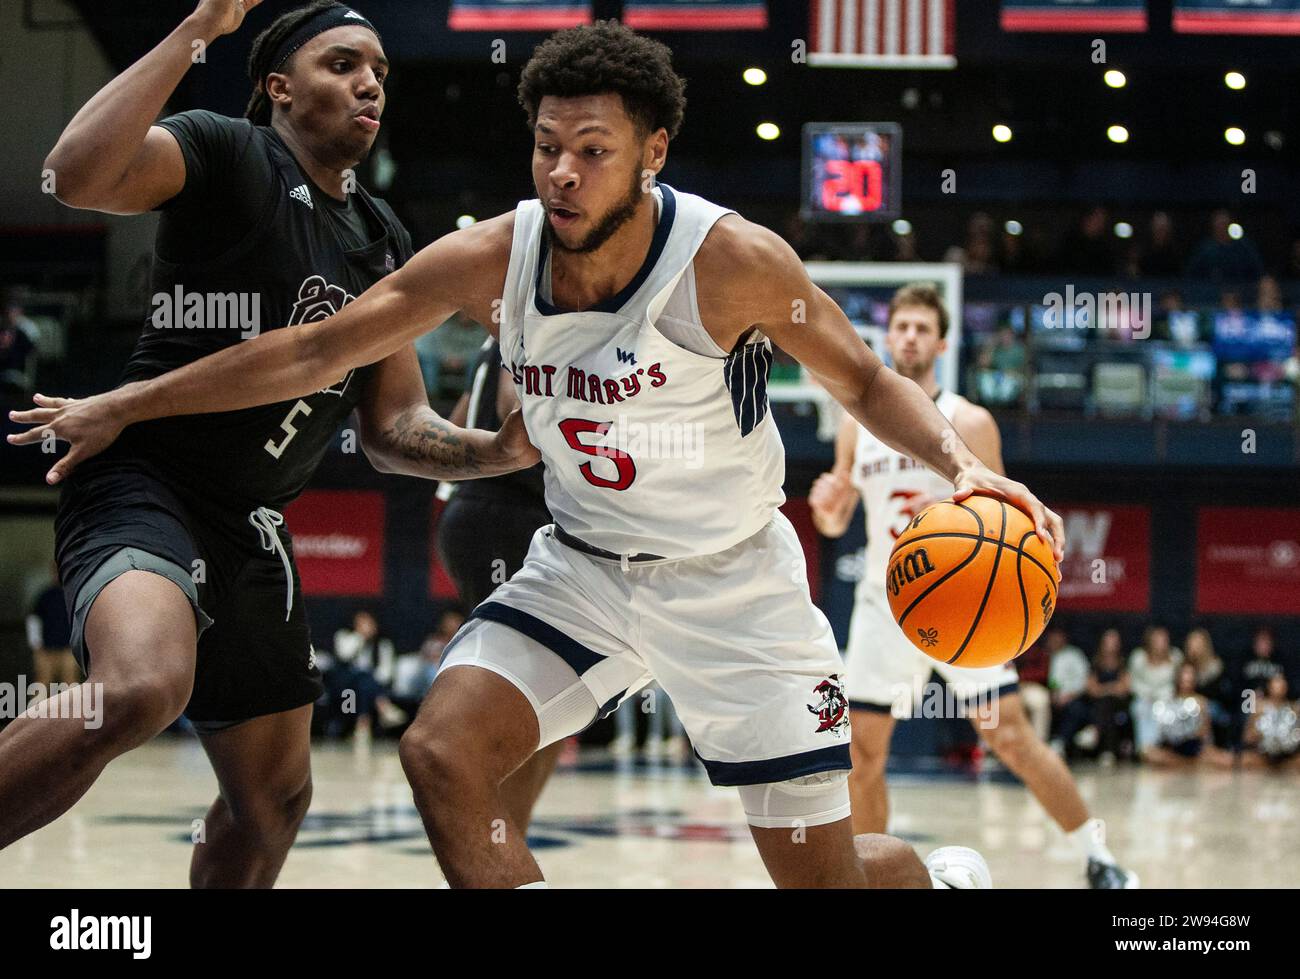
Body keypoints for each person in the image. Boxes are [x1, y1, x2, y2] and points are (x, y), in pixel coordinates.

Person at [9, 21, 1074, 890]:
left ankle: (938, 879)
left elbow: (867, 380)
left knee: (824, 881)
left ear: (652, 153)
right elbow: (315, 349)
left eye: (594, 149)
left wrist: (958, 464)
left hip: (730, 582)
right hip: (583, 565)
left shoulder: (734, 260)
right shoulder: (492, 251)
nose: (562, 172)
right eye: (547, 145)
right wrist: (132, 401)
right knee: (440, 754)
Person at [0, 0, 535, 884]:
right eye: (342, 64)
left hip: (255, 529)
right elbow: (75, 176)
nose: (370, 82)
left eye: (380, 71)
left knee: (276, 799)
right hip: (148, 484)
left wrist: (496, 450)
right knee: (141, 685)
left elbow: (393, 426)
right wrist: (194, 29)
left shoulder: (382, 235)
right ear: (279, 87)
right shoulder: (225, 149)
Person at [809, 283, 1137, 888]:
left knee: (1011, 737)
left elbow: (1004, 521)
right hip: (886, 607)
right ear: (889, 336)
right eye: (899, 326)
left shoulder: (969, 421)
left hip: (968, 602)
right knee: (861, 757)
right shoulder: (856, 423)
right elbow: (836, 516)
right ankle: (869, 878)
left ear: (941, 341)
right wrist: (828, 508)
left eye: (919, 328)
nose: (907, 336)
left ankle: (1101, 857)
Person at [434, 336, 564, 829]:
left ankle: (509, 831)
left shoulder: (494, 340)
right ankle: (497, 833)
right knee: (530, 689)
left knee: (552, 690)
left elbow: (462, 414)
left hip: (475, 513)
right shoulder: (532, 326)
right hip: (507, 516)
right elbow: (516, 408)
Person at [327, 610, 406, 736]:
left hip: (370, 687)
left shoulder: (383, 645)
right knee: (362, 676)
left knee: (364, 683)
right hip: (345, 685)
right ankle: (384, 707)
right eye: (361, 623)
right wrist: (360, 636)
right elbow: (344, 656)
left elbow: (386, 674)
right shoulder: (344, 636)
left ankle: (362, 724)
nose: (365, 627)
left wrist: (370, 678)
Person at [1143, 663, 1233, 769]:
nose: (1187, 678)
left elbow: (1206, 733)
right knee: (1149, 754)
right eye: (1184, 674)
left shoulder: (1201, 701)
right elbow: (1161, 730)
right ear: (1177, 677)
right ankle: (1188, 763)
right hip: (1173, 747)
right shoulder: (1168, 701)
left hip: (1195, 746)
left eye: (1190, 674)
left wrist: (1195, 736)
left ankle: (1186, 762)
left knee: (1224, 759)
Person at [27, 564, 80, 697]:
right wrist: (36, 644)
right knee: (42, 685)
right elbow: (34, 619)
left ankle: (72, 717)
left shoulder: (74, 594)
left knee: (70, 684)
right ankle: (38, 715)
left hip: (69, 649)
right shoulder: (45, 596)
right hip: (46, 649)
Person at [1128, 625, 1181, 755]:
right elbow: (1132, 682)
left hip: (1168, 699)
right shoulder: (1138, 657)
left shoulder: (1176, 657)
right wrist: (1147, 695)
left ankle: (1160, 749)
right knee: (1140, 708)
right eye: (1157, 640)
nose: (1160, 644)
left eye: (1163, 640)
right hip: (1143, 699)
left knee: (1164, 710)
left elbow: (1178, 683)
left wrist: (1161, 697)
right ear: (1150, 641)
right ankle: (1144, 749)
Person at [1086, 631, 1131, 763]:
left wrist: (1104, 689)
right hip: (1098, 703)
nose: (1111, 645)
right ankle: (1107, 750)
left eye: (1114, 641)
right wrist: (1112, 688)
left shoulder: (1123, 662)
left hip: (1119, 703)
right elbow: (1092, 689)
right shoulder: (1095, 662)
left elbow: (1124, 688)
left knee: (1108, 704)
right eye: (1108, 641)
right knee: (1105, 705)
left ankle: (1095, 733)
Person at [1240, 674, 1300, 771]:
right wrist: (1256, 734)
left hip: (1288, 757)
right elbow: (1247, 737)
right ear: (1269, 685)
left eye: (1283, 682)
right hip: (1263, 756)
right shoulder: (1259, 707)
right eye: (1277, 682)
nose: (1280, 685)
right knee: (1243, 760)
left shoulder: (1294, 708)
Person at [1046, 626, 1091, 755]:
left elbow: (1084, 681)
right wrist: (1052, 695)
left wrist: (1069, 695)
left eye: (1057, 637)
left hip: (1072, 697)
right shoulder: (1043, 655)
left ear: (1064, 638)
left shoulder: (1074, 655)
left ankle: (1060, 741)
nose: (1054, 640)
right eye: (1052, 638)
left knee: (1076, 708)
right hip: (1048, 696)